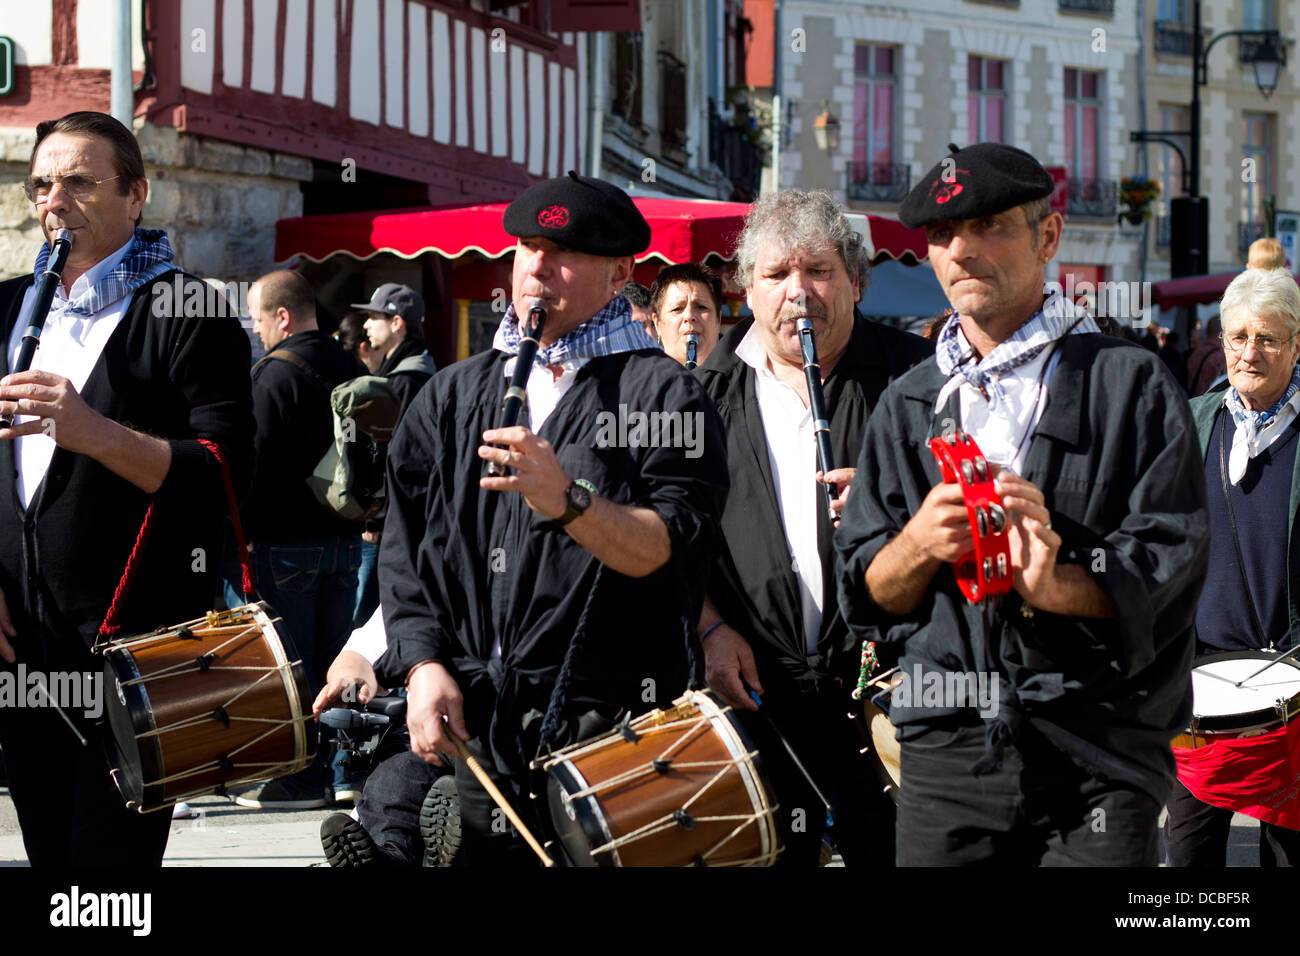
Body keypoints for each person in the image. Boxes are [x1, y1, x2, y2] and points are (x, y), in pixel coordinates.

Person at [835, 142, 1210, 866]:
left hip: (1100, 753)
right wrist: (917, 544)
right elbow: (864, 593)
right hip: (948, 751)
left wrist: (1057, 584)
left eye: (992, 226)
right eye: (943, 235)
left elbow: (1173, 563)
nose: (962, 251)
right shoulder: (909, 404)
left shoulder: (1130, 383)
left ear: (1048, 236)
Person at [375, 171, 728, 867]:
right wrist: (420, 663)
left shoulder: (663, 391)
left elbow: (676, 547)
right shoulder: (455, 392)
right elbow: (403, 549)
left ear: (620, 271)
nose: (537, 266)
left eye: (562, 251)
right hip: (476, 718)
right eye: (527, 247)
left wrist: (568, 500)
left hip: (611, 727)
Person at [0, 110, 253, 865]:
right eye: (41, 183)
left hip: (142, 647)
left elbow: (227, 475)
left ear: (137, 194)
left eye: (80, 182)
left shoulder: (191, 309)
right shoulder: (6, 305)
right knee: (50, 855)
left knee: (110, 869)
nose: (55, 201)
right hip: (24, 646)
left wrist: (95, 433)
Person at [694, 189, 931, 866]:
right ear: (746, 287)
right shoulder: (701, 392)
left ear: (856, 280)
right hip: (755, 691)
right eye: (776, 275)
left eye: (819, 271)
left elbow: (975, 509)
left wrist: (899, 504)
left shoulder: (917, 378)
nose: (799, 292)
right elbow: (673, 543)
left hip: (889, 689)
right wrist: (710, 626)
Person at [1168, 267, 1300, 866]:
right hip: (1202, 689)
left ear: (1296, 345)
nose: (1250, 352)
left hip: (1294, 692)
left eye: (1268, 339)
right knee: (1190, 854)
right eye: (1238, 337)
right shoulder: (1191, 422)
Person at [228, 269, 367, 809]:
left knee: (294, 666)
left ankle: (303, 780)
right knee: (339, 662)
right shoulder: (350, 363)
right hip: (346, 538)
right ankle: (345, 772)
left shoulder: (272, 375)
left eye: (260, 319)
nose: (258, 330)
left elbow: (249, 466)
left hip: (284, 544)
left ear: (282, 316)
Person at [350, 284, 436, 630]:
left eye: (375, 316)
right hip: (396, 520)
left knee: (365, 621)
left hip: (389, 526)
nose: (367, 325)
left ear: (397, 322)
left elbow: (399, 459)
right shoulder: (410, 370)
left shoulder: (406, 381)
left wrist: (376, 521)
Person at [650, 263, 724, 368]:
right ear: (657, 323)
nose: (689, 316)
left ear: (718, 319)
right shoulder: (641, 382)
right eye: (677, 309)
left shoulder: (740, 381)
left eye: (701, 307)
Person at [1187, 315, 1227, 397]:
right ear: (1223, 333)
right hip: (1210, 404)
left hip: (1194, 402)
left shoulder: (1196, 353)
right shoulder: (1221, 356)